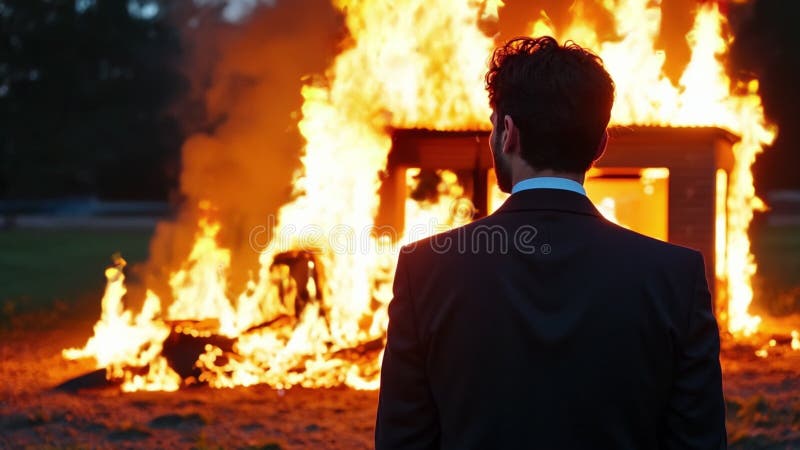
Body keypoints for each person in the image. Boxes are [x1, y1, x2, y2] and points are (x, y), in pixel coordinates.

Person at [375, 36, 726, 450]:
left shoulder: (426, 269)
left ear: (507, 133)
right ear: (600, 144)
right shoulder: (675, 277)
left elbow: (403, 441)